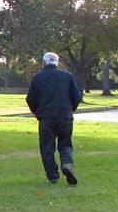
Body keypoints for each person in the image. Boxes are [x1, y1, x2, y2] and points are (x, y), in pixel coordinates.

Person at [26, 51, 82, 185]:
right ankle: (67, 163)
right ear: (57, 63)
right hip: (65, 116)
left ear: (44, 62)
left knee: (47, 147)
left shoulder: (37, 78)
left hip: (46, 117)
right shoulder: (67, 76)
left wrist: (38, 113)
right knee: (65, 143)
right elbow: (76, 96)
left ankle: (52, 175)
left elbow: (30, 99)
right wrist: (70, 110)